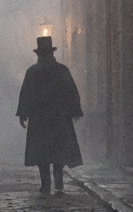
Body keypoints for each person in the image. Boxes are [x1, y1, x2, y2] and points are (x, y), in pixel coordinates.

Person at [16, 36, 83, 193]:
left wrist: (23, 114)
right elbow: (72, 92)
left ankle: (45, 184)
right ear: (51, 53)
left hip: (40, 119)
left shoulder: (32, 72)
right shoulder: (62, 70)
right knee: (59, 151)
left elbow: (25, 94)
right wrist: (74, 111)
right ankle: (58, 182)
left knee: (42, 154)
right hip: (59, 117)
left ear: (39, 54)